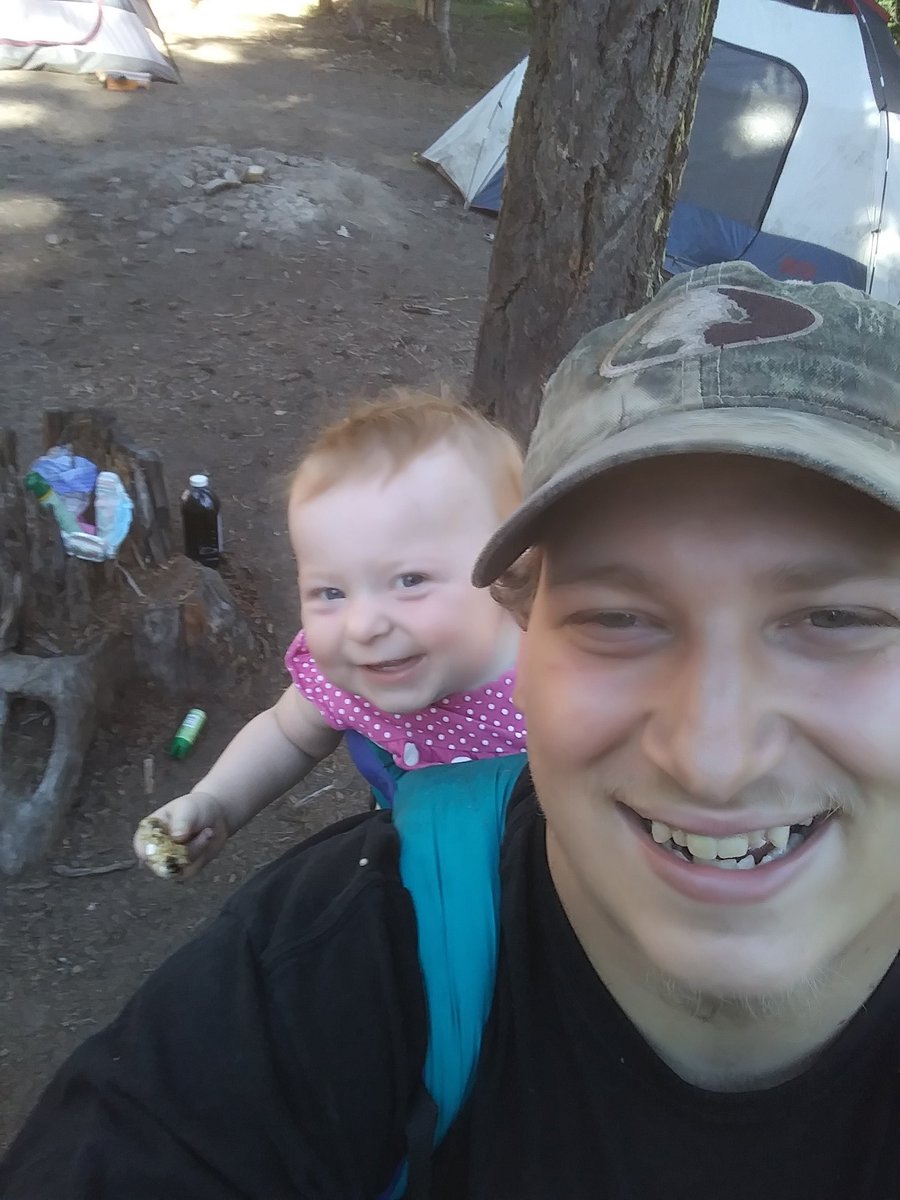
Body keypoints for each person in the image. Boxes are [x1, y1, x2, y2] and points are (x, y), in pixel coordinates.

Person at [4, 260, 900, 1198]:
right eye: (616, 618)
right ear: (528, 620)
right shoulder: (334, 970)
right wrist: (217, 801)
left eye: (838, 618)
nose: (714, 762)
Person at [134, 391, 525, 877]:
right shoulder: (359, 671)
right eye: (331, 592)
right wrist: (217, 801)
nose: (362, 626)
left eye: (410, 580)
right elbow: (289, 734)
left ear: (510, 570)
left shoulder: (557, 681)